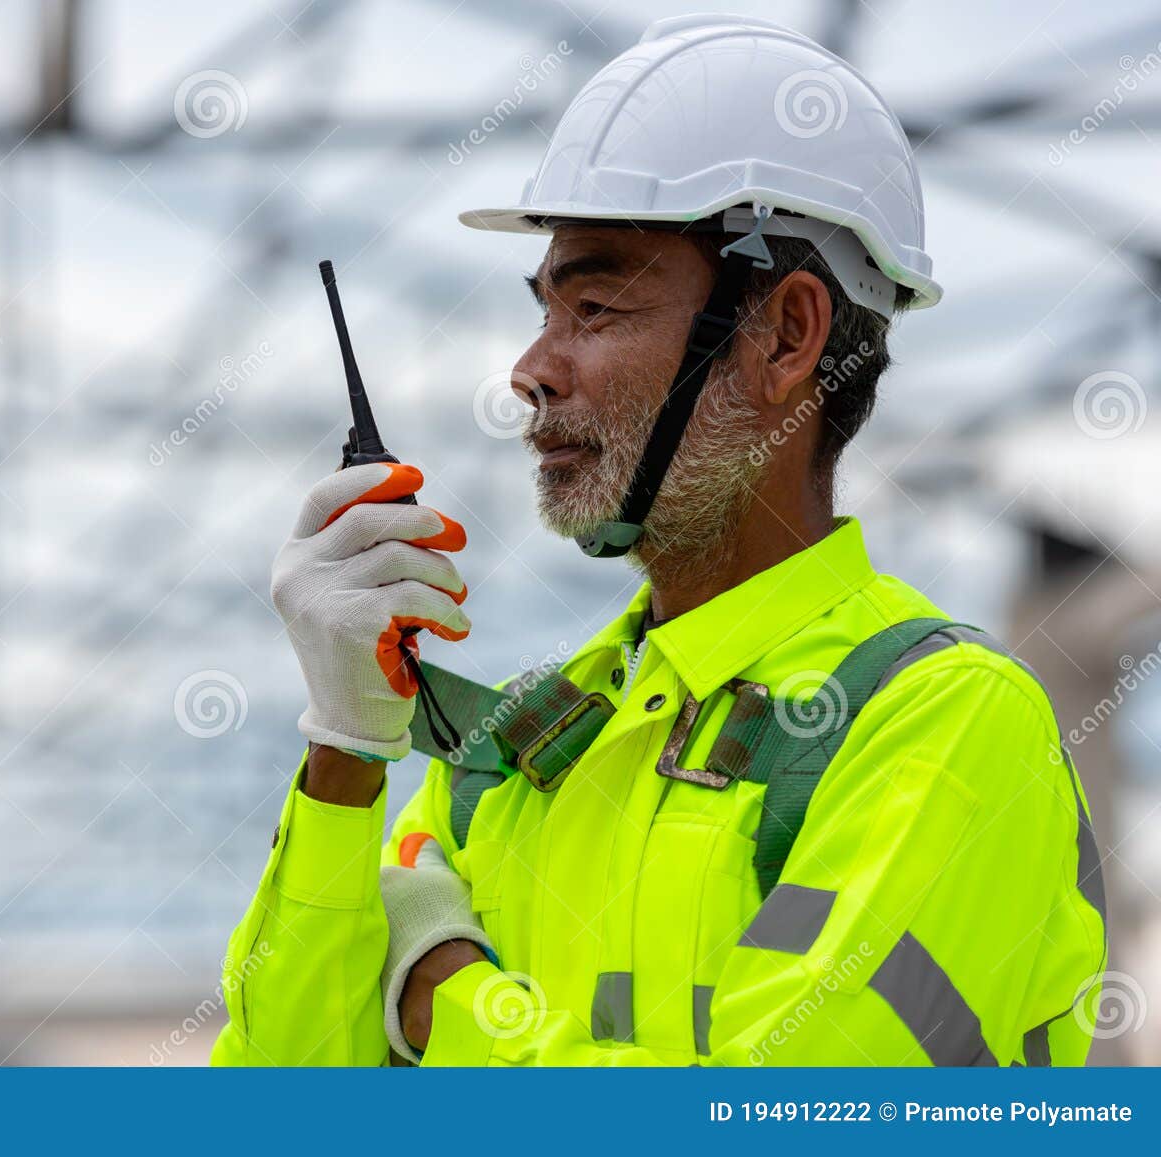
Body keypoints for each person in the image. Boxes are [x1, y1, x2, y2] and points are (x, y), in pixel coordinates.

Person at [210, 14, 1106, 1067]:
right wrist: (346, 755)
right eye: (545, 309)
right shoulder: (523, 754)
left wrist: (442, 1000)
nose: (530, 368)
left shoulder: (942, 727)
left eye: (594, 306)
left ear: (785, 336)